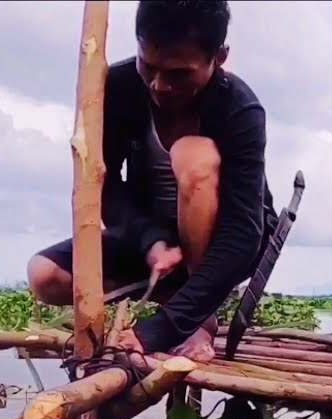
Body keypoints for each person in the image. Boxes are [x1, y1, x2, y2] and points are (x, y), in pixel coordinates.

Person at [28, 0, 275, 363]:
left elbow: (243, 234)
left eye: (179, 74)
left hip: (223, 247)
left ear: (219, 58)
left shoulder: (240, 110)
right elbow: (106, 186)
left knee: (194, 157)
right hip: (152, 238)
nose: (160, 85)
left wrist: (156, 332)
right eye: (150, 66)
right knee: (44, 275)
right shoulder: (119, 89)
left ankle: (198, 318)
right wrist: (151, 241)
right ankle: (180, 299)